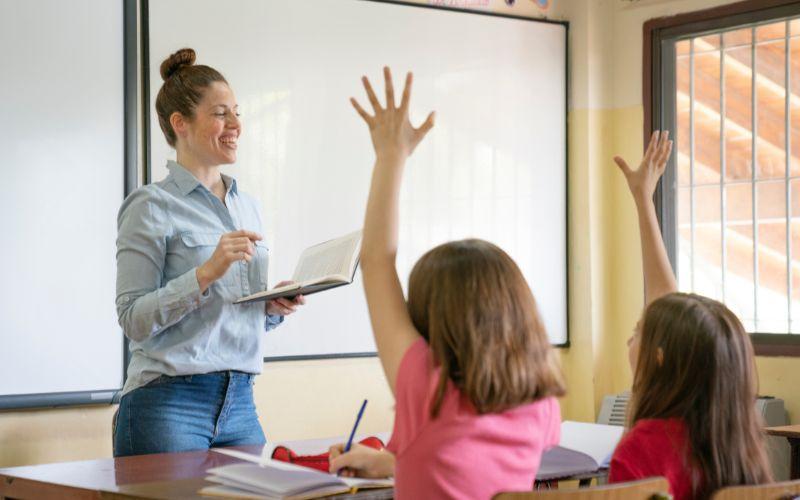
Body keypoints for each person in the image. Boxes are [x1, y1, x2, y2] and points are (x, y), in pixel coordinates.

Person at [327, 67, 566, 500]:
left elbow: (377, 260)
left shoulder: (427, 386)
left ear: (430, 318)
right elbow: (471, 469)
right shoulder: (541, 405)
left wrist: (390, 156)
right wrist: (392, 464)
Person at [113, 48, 303, 457]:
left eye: (237, 112)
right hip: (168, 405)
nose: (236, 124)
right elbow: (132, 320)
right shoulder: (150, 206)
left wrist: (271, 307)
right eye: (221, 114)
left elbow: (232, 312)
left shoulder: (248, 206)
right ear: (180, 123)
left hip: (241, 403)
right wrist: (205, 273)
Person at [608, 131, 772, 499]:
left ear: (660, 357)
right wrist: (643, 201)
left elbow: (667, 313)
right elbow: (670, 312)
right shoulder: (736, 445)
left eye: (637, 332)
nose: (629, 339)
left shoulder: (640, 451)